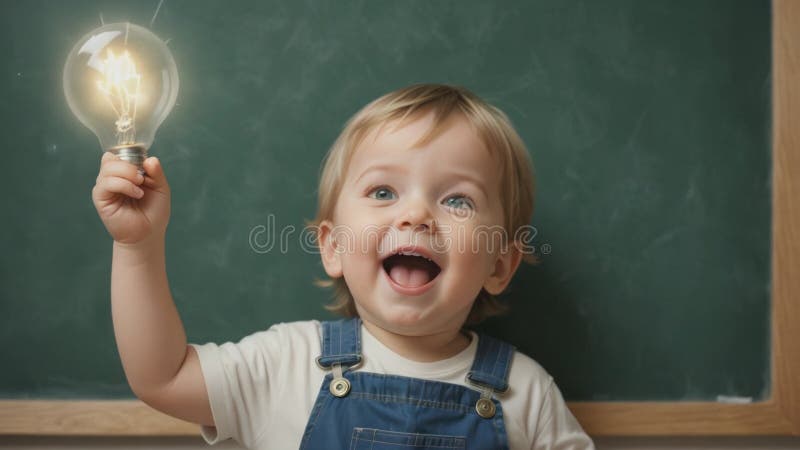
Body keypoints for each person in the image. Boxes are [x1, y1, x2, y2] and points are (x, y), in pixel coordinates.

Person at [92, 84, 594, 449]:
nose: (415, 214)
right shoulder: (287, 364)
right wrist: (138, 246)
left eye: (457, 200)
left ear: (499, 265)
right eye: (383, 192)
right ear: (332, 247)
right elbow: (161, 377)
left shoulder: (525, 394)